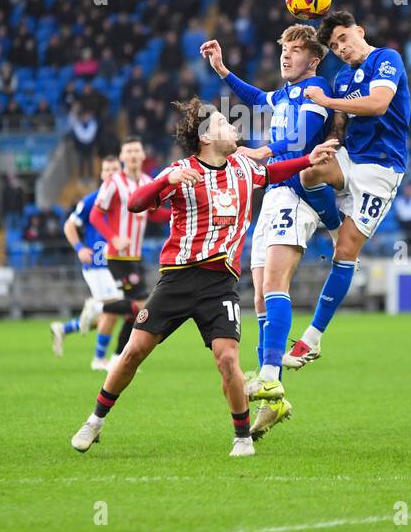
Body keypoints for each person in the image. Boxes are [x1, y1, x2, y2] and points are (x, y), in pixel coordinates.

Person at [69, 98, 336, 458]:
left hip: (219, 285)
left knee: (228, 360)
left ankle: (241, 438)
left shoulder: (244, 166)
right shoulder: (180, 170)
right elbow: (135, 203)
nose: (234, 128)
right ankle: (95, 421)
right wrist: (168, 179)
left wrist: (310, 158)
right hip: (177, 279)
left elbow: (273, 172)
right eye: (226, 124)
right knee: (132, 352)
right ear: (207, 136)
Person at [199, 26, 340, 439]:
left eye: (295, 51)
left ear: (313, 60)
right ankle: (275, 402)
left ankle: (270, 374)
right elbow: (260, 99)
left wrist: (262, 151)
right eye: (284, 49)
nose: (286, 57)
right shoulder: (285, 94)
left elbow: (301, 143)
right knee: (259, 293)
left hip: (294, 195)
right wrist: (224, 72)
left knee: (275, 284)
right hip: (274, 194)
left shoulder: (315, 91)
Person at [287, 9, 411, 368]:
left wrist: (325, 102)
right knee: (309, 172)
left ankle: (312, 338)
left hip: (382, 168)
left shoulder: (385, 58)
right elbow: (339, 128)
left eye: (344, 38)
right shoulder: (341, 77)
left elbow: (378, 104)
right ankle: (334, 223)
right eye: (334, 45)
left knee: (345, 254)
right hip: (351, 158)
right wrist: (329, 140)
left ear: (360, 30)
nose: (340, 48)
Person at [83, 137, 171, 367]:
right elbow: (94, 215)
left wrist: (174, 214)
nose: (132, 155)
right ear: (122, 157)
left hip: (135, 256)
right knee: (142, 306)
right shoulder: (113, 182)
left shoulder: (146, 182)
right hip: (118, 257)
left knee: (135, 313)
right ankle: (97, 307)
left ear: (143, 156)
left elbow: (152, 213)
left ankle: (115, 358)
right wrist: (113, 237)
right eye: (128, 151)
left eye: (136, 151)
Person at [50, 154, 120, 366]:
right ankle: (99, 359)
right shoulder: (92, 200)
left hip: (117, 263)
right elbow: (69, 226)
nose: (110, 174)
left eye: (114, 170)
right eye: (107, 170)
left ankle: (64, 328)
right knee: (114, 309)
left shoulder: (124, 198)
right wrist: (80, 248)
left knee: (113, 311)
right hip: (97, 264)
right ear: (101, 174)